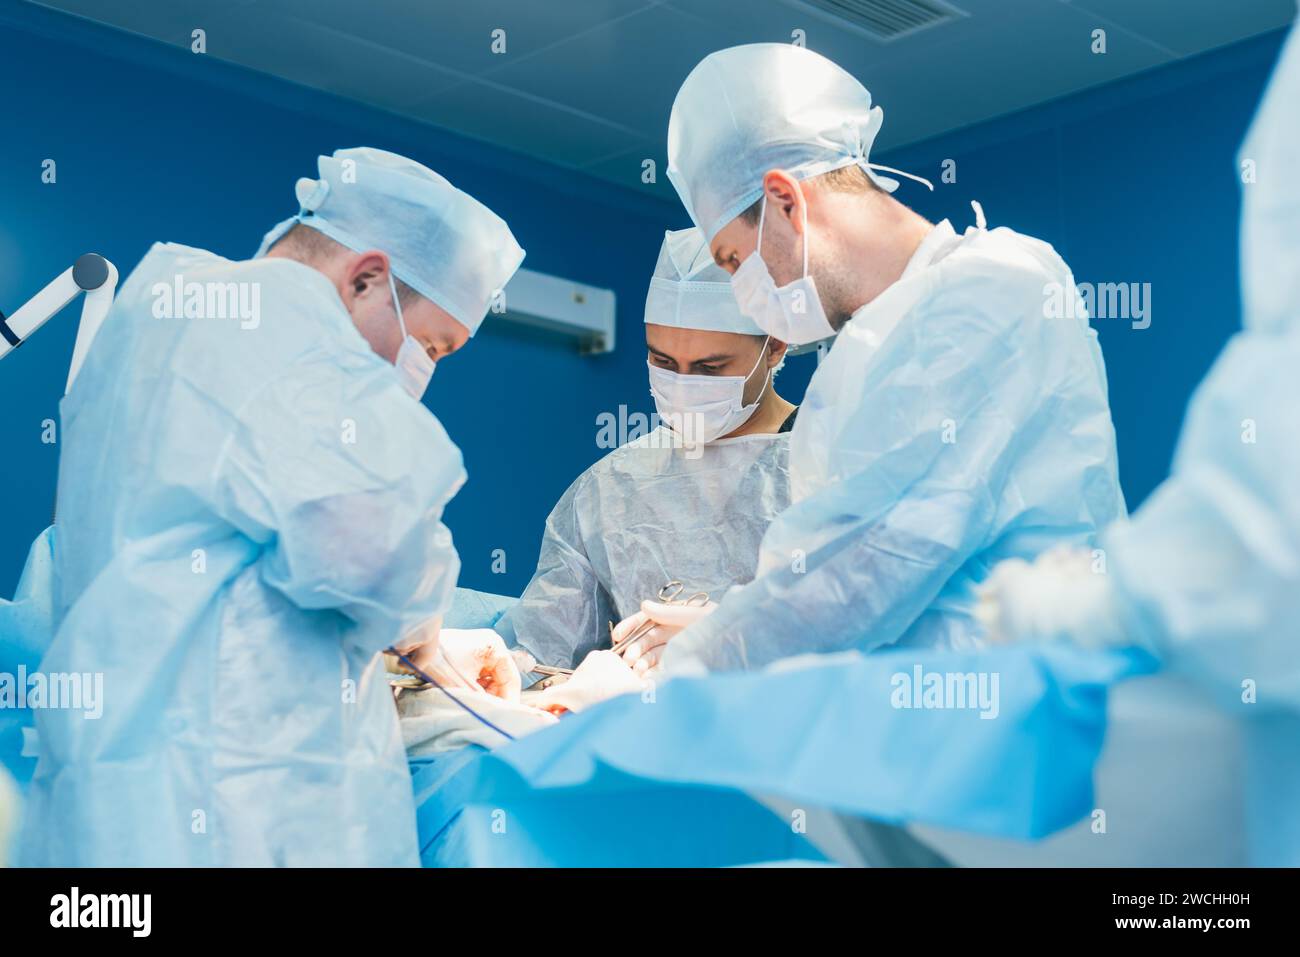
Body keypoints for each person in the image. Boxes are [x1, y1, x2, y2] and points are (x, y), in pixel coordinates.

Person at [21, 147, 524, 867]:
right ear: (368, 277)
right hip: (226, 812)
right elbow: (375, 554)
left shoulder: (162, 312)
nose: (421, 373)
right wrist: (424, 619)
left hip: (103, 810)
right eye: (432, 348)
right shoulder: (290, 336)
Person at [632, 43, 1124, 673]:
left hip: (1011, 724)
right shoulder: (874, 342)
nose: (742, 294)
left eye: (734, 260)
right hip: (930, 727)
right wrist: (727, 623)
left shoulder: (989, 293)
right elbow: (852, 566)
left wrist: (678, 674)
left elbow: (872, 570)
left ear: (786, 200)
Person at [495, 227, 794, 676]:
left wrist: (743, 641)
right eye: (663, 362)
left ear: (774, 345)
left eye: (711, 368)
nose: (684, 383)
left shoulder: (833, 467)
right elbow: (539, 657)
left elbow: (883, 639)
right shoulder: (610, 488)